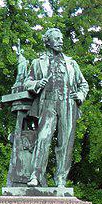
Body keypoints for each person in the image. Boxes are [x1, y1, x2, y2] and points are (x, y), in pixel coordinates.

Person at [21, 28, 88, 188]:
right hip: (48, 103)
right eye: (56, 39)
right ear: (48, 42)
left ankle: (60, 179)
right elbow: (27, 82)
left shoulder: (71, 63)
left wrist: (79, 95)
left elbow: (83, 84)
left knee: (65, 144)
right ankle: (35, 175)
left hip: (68, 104)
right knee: (43, 138)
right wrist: (37, 84)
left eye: (61, 38)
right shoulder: (38, 62)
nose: (60, 41)